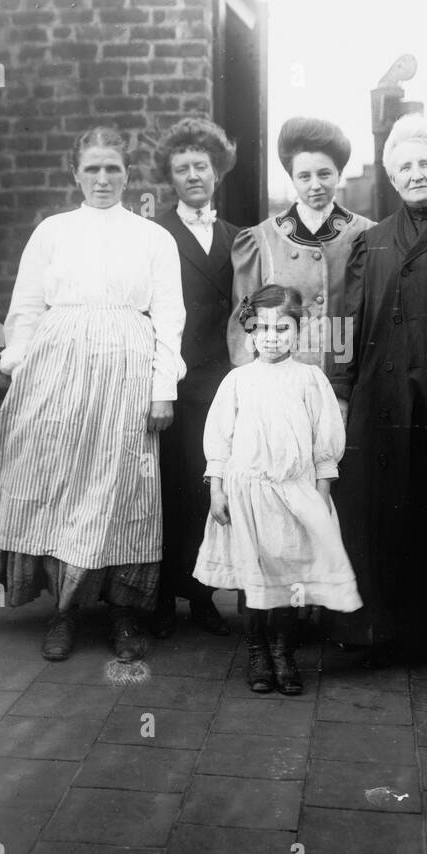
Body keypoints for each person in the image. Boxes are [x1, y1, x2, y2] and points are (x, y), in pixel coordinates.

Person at [0, 125, 186, 662]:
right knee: (60, 485)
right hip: (56, 371)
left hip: (127, 373)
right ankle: (64, 613)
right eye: (93, 169)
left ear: (129, 175)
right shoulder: (53, 232)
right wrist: (21, 367)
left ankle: (125, 613)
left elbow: (170, 318)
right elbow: (26, 308)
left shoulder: (154, 238)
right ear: (76, 174)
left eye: (113, 168)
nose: (103, 179)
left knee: (123, 491)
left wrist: (162, 388)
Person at [331, 115, 427, 665]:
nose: (416, 174)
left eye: (426, 164)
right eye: (405, 167)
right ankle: (375, 635)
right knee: (377, 508)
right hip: (380, 396)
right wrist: (342, 390)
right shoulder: (369, 242)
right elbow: (346, 324)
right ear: (392, 178)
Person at [194, 285, 362, 695]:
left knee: (289, 579)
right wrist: (217, 490)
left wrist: (320, 497)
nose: (272, 337)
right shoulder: (237, 381)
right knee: (254, 578)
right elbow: (219, 440)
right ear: (250, 332)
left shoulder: (310, 379)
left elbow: (325, 445)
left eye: (283, 329)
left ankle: (284, 653)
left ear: (298, 332)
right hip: (245, 494)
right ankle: (257, 655)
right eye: (264, 328)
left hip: (294, 494)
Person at [152, 117, 239, 639]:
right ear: (171, 177)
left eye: (201, 166)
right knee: (168, 490)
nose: (192, 176)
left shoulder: (238, 237)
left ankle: (203, 597)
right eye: (181, 169)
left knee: (207, 490)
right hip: (171, 380)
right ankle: (161, 597)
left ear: (217, 171)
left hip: (219, 386)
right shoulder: (155, 233)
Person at [227, 117, 373, 388]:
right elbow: (245, 318)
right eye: (304, 176)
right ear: (292, 178)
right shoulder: (261, 240)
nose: (315, 185)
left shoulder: (366, 235)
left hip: (346, 381)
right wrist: (250, 384)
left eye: (324, 174)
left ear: (339, 174)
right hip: (278, 382)